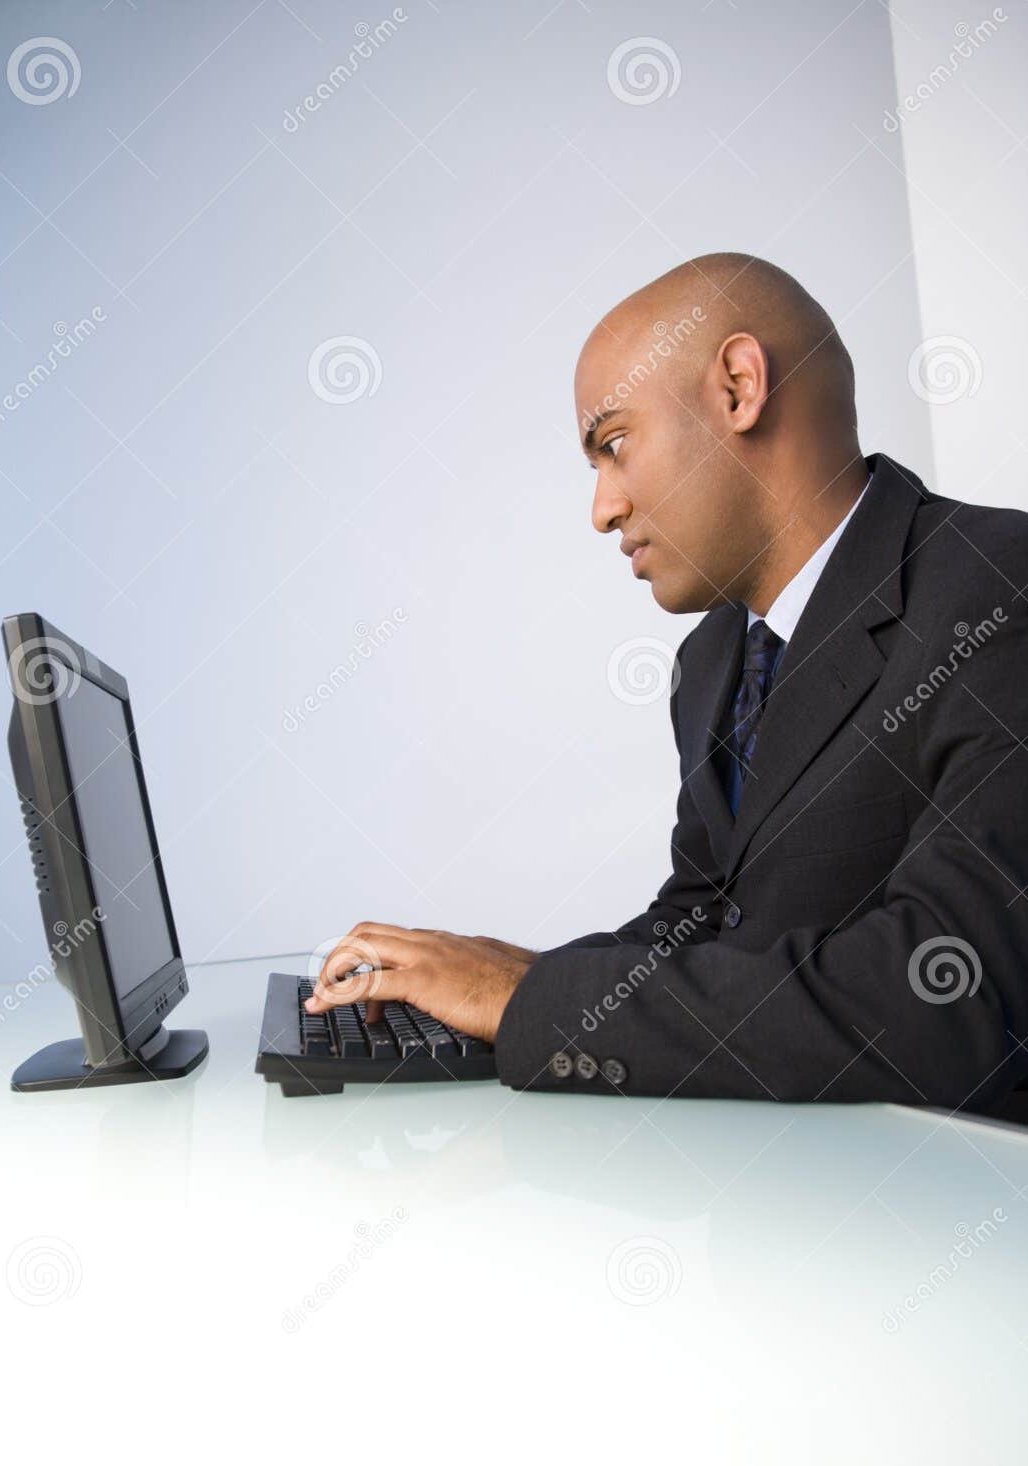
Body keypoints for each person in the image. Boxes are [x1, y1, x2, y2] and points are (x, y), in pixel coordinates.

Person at [307, 252, 1028, 1115]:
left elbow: (945, 1000)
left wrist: (527, 1001)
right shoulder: (715, 659)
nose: (602, 508)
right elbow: (702, 924)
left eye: (613, 445)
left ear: (736, 388)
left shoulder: (996, 591)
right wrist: (506, 981)